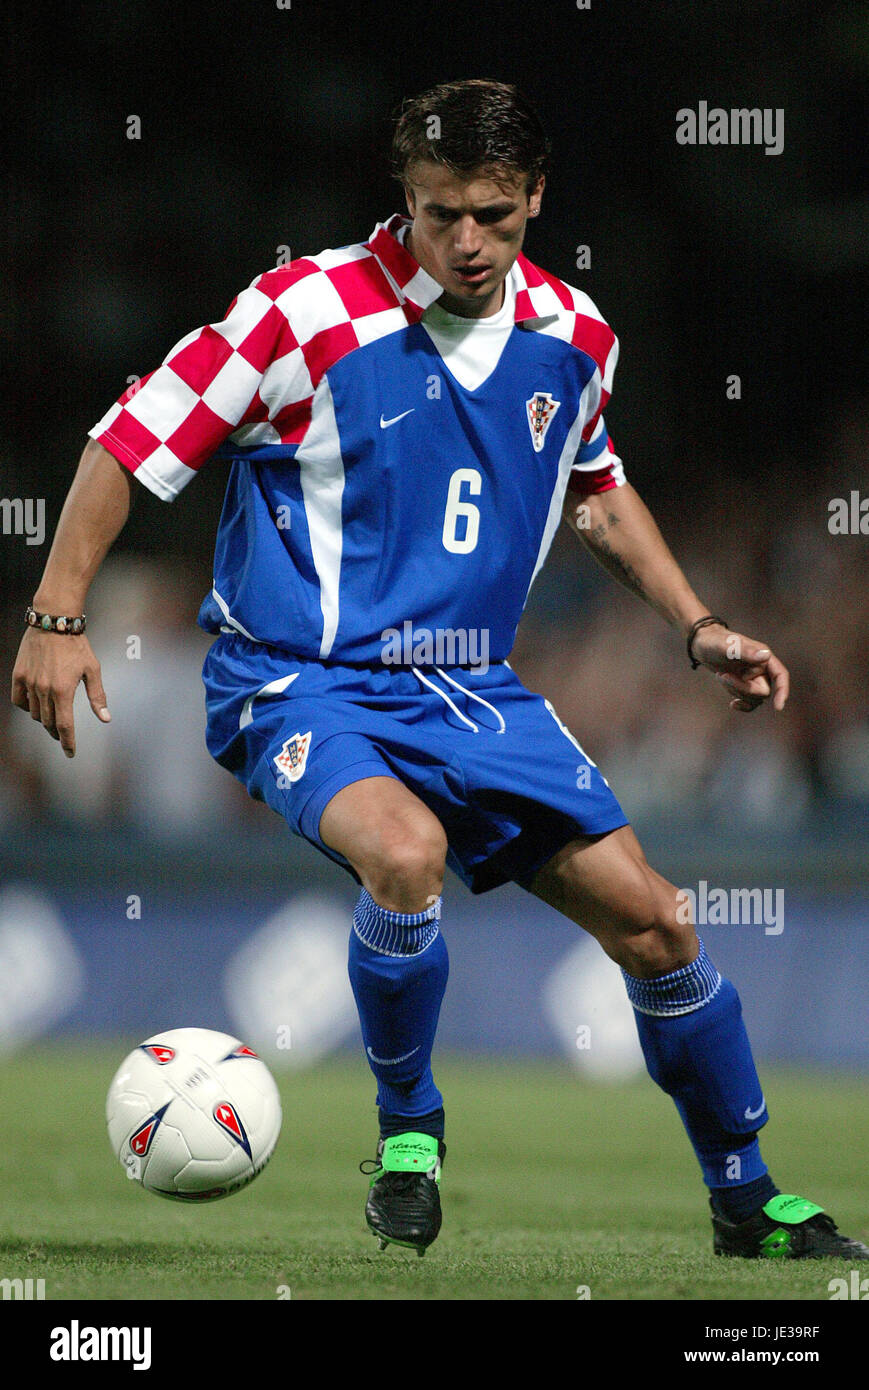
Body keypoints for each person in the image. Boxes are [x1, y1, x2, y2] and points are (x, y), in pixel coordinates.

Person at [12, 79, 866, 1262]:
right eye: (437, 212)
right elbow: (131, 438)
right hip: (298, 676)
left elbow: (597, 491)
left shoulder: (575, 337)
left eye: (493, 215)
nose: (465, 241)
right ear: (403, 198)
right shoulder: (299, 310)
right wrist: (57, 613)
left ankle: (744, 1196)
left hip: (470, 689)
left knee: (661, 924)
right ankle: (409, 1135)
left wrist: (695, 622)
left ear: (534, 200)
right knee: (403, 853)